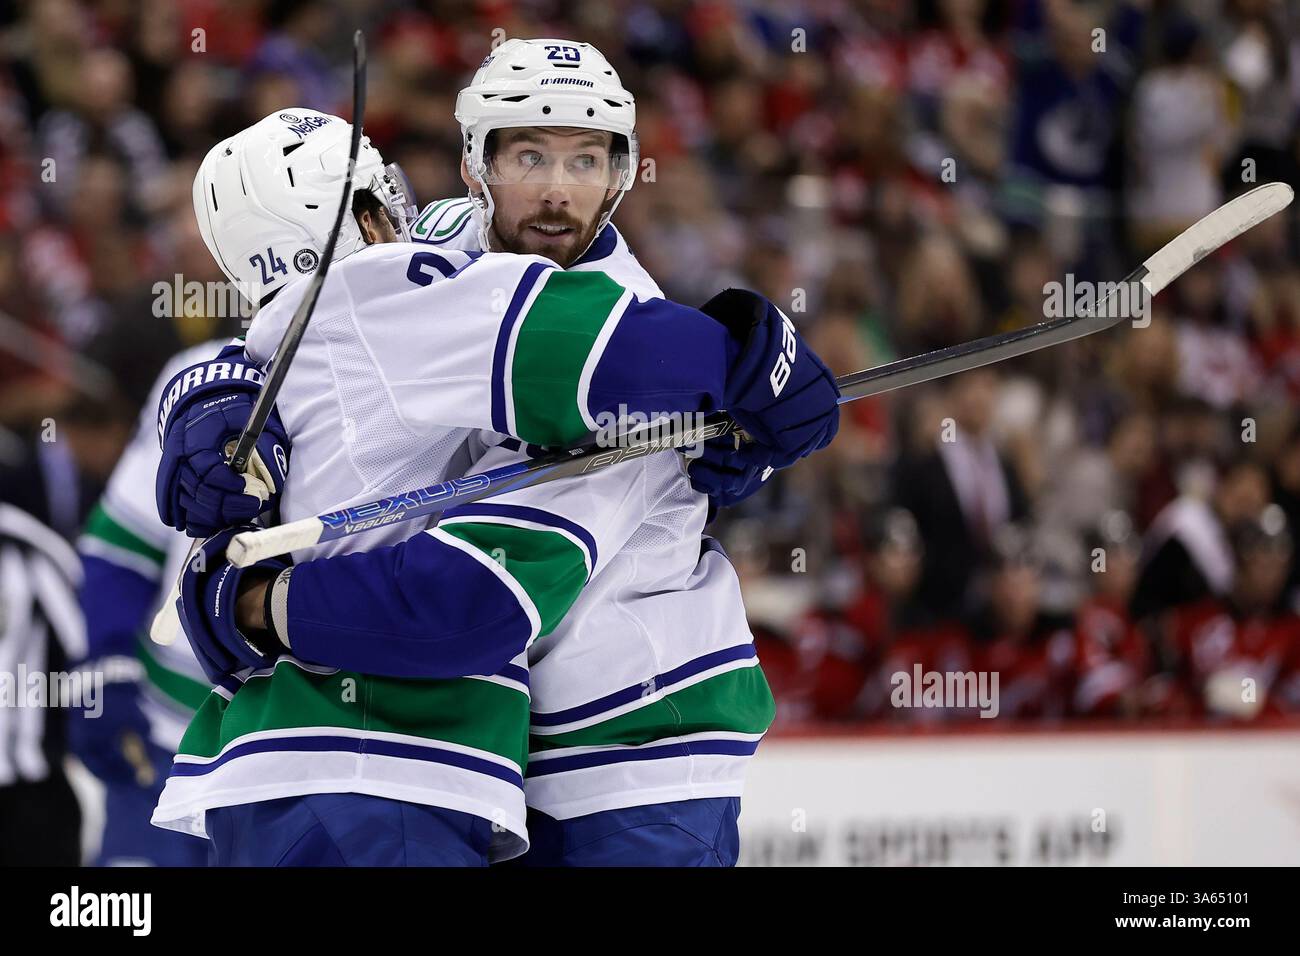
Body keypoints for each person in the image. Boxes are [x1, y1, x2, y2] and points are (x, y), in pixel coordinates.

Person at [152, 40, 839, 866]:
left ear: (620, 176)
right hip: (464, 757)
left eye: (585, 159)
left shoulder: (633, 345)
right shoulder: (437, 259)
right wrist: (213, 394)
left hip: (630, 753)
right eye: (528, 155)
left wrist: (258, 605)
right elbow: (314, 318)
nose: (556, 188)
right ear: (475, 167)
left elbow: (478, 596)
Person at [74, 342, 222, 866]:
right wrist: (104, 664)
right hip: (169, 741)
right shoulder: (199, 370)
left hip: (323, 762)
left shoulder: (441, 363)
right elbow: (123, 543)